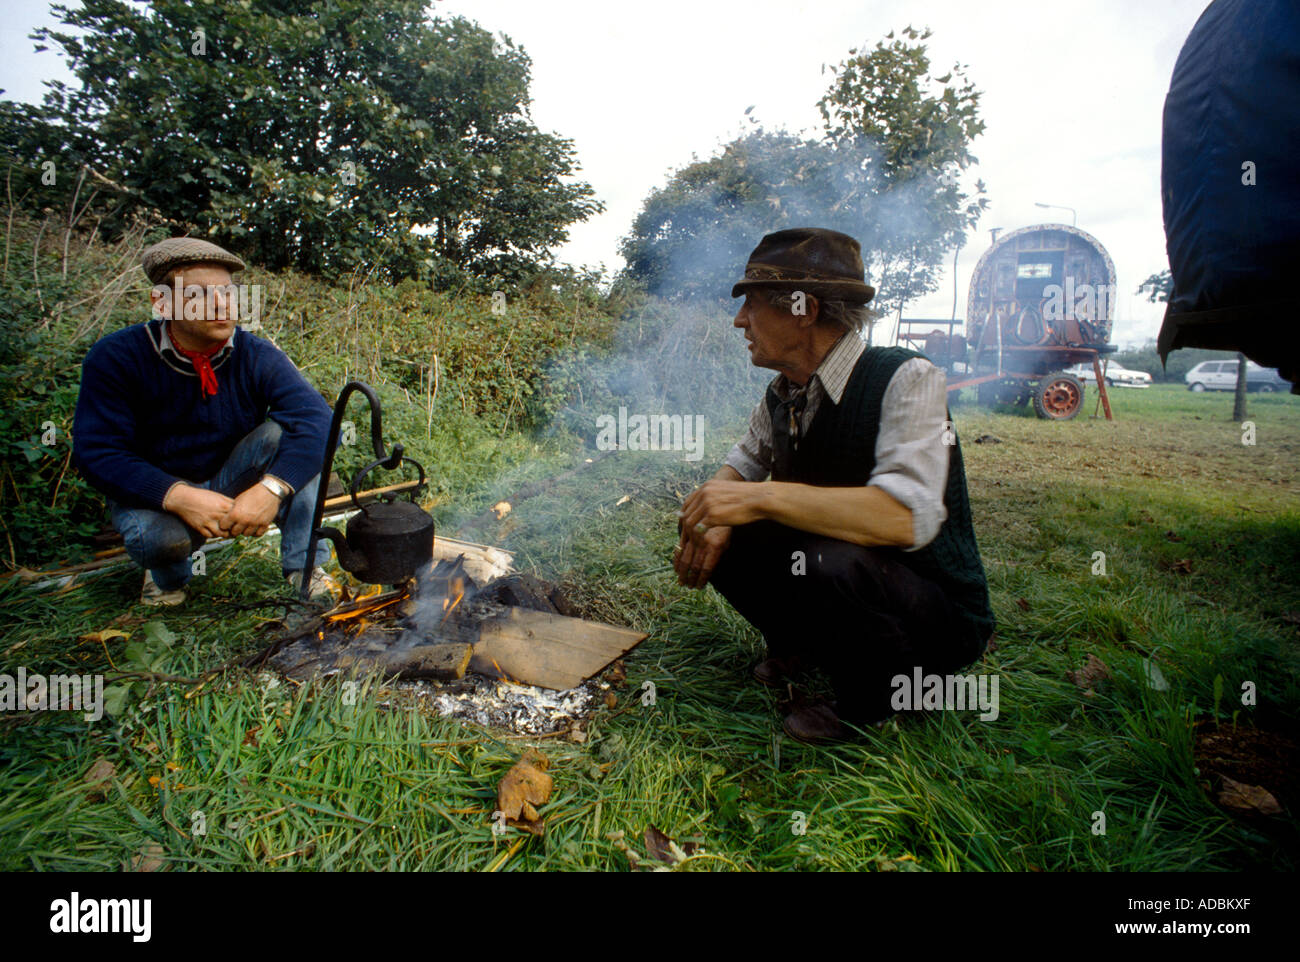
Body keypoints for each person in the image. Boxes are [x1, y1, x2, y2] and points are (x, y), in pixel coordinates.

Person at [672, 227, 995, 743]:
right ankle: (807, 647)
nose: (740, 321)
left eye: (751, 305)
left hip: (932, 613)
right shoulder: (783, 394)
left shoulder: (907, 378)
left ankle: (876, 700)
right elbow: (745, 460)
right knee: (730, 527)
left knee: (827, 556)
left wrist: (760, 498)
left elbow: (904, 516)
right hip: (850, 578)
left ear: (803, 309)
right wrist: (715, 515)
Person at [72, 237, 336, 606]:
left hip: (231, 477)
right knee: (159, 541)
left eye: (228, 293)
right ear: (162, 303)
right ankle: (165, 577)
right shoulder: (116, 357)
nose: (219, 305)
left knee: (288, 435)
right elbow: (96, 452)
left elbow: (319, 421)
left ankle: (303, 568)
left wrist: (271, 489)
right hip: (157, 490)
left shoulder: (255, 354)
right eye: (198, 294)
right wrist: (176, 496)